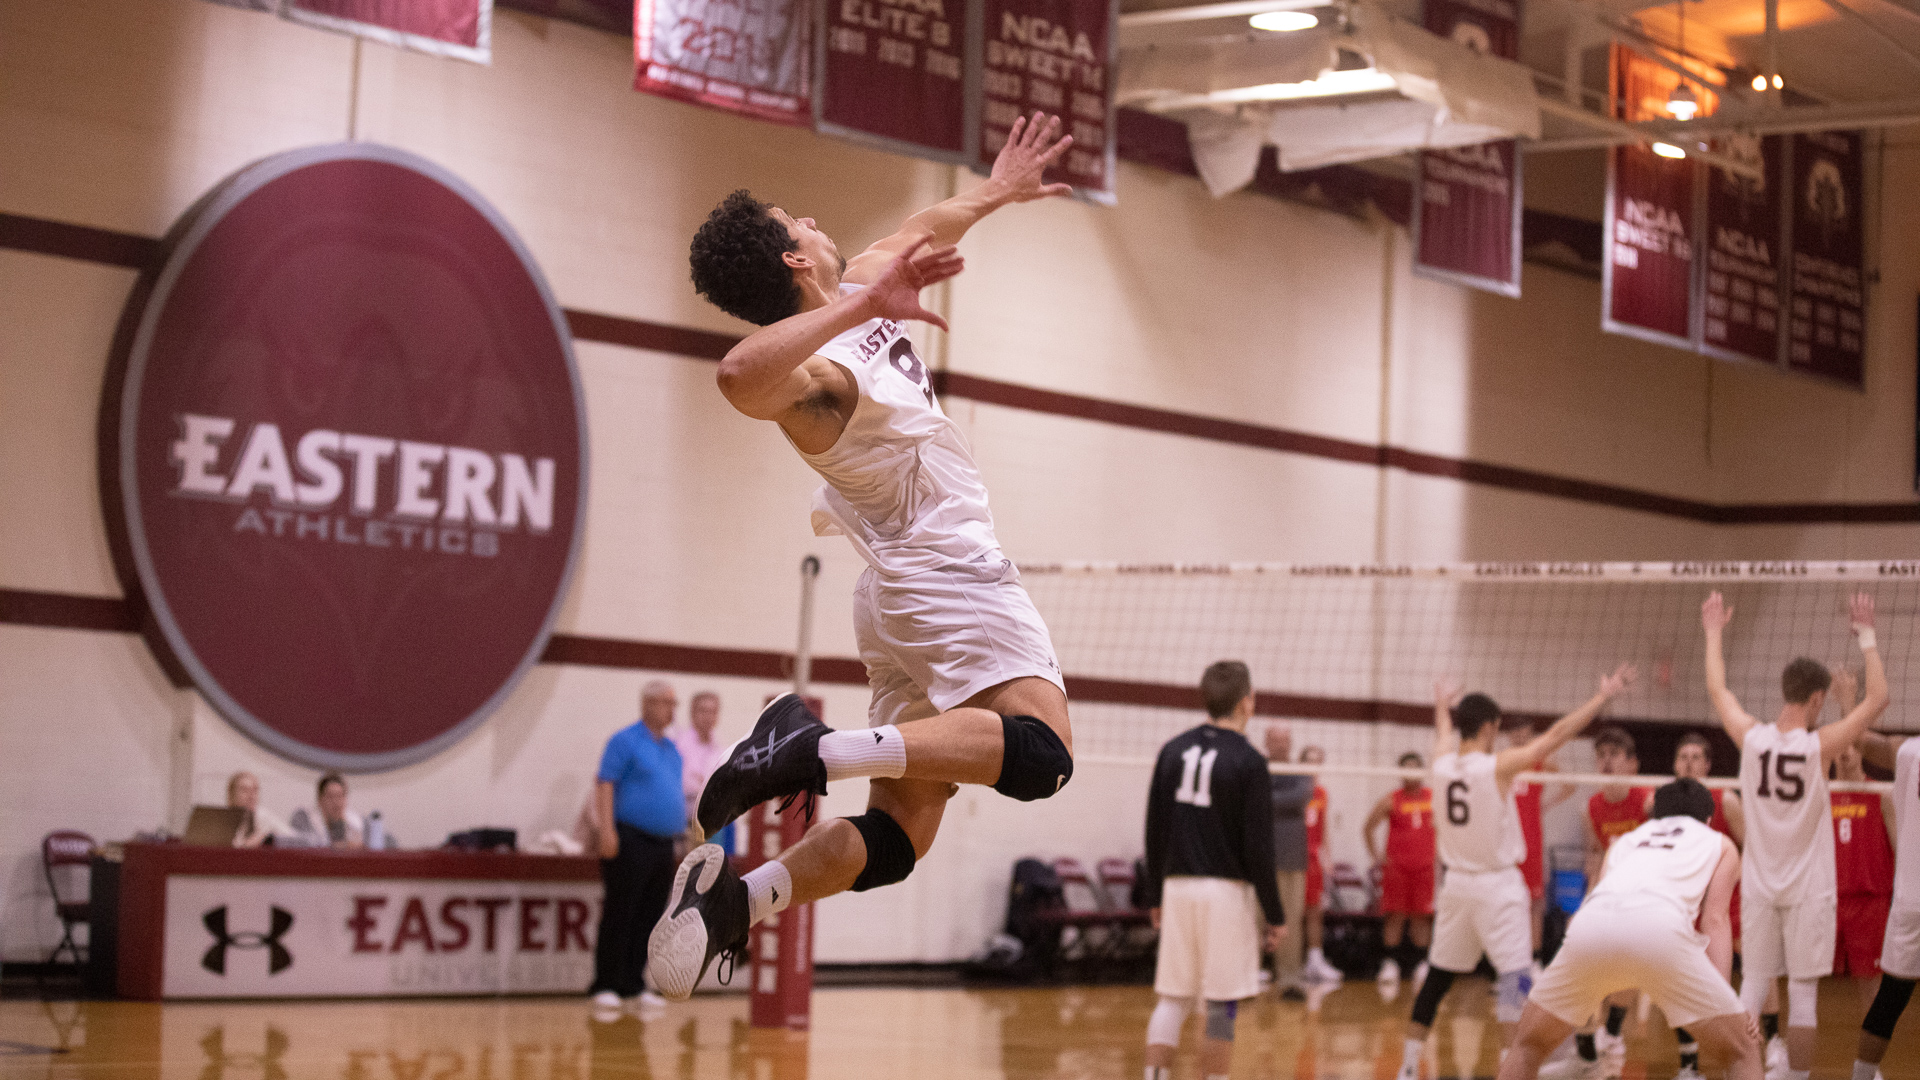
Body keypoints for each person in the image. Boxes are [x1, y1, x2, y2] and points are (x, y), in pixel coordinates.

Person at [648, 112, 1080, 1000]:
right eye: (795, 219)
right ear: (794, 263)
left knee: (901, 838)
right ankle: (813, 749)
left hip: (895, 596)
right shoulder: (820, 375)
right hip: (945, 572)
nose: (810, 216)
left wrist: (998, 192)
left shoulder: (864, 283)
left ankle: (736, 904)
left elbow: (930, 228)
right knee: (1043, 754)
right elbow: (734, 378)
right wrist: (859, 307)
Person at [1397, 668, 1636, 1080]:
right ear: (1490, 727)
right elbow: (1557, 733)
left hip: (1455, 886)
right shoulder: (1498, 767)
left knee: (1437, 979)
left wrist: (1441, 706)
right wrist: (1602, 698)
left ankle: (1407, 1066)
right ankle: (1515, 1067)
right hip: (1497, 887)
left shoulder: (1439, 765)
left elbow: (1441, 734)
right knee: (1514, 981)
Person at [1702, 590, 1887, 1080]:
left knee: (1751, 988)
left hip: (1761, 887)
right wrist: (1866, 633)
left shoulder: (1751, 737)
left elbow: (1718, 690)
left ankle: (1739, 1075)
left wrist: (1714, 631)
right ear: (1818, 698)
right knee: (1803, 995)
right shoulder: (1818, 746)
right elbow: (1878, 700)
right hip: (1808, 890)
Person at [1499, 779, 1761, 1080]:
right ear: (1707, 819)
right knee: (1743, 1049)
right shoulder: (1719, 842)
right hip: (1659, 929)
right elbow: (1715, 919)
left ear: (1655, 814)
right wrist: (1725, 997)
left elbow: (1605, 902)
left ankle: (1600, 1045)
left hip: (1592, 925)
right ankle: (1609, 1042)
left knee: (1528, 1045)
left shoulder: (1626, 840)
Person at [1140, 662, 1287, 1080]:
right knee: (1221, 1005)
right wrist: (1275, 914)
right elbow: (1259, 848)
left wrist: (1155, 895)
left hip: (1177, 888)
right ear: (1247, 702)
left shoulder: (1172, 749)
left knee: (1173, 998)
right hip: (1225, 894)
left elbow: (1154, 829)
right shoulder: (1249, 760)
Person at [1646, 730, 1749, 1080]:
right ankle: (1689, 1067)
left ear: (1707, 765)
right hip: (1681, 909)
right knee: (1680, 989)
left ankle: (1747, 1056)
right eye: (1682, 757)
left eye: (1695, 757)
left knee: (1733, 985)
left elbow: (1750, 848)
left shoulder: (1726, 800)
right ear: (1675, 765)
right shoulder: (1660, 803)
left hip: (1721, 905)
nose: (1688, 763)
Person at [590, 681, 686, 1013]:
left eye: (674, 703)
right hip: (630, 839)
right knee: (621, 911)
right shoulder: (625, 741)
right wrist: (606, 831)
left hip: (663, 844)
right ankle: (605, 983)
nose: (672, 709)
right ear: (646, 704)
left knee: (650, 914)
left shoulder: (671, 749)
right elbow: (605, 784)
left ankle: (633, 982)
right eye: (665, 702)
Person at [1567, 725, 1650, 1065]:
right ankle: (1591, 1029)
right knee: (1586, 955)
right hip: (1608, 893)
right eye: (1601, 755)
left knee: (1627, 966)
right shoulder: (1591, 808)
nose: (1606, 762)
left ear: (1632, 764)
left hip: (1643, 894)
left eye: (1614, 755)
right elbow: (1595, 856)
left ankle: (1613, 1033)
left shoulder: (1648, 801)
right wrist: (1586, 902)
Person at [1852, 727, 1918, 1080]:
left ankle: (1861, 1076)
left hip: (1910, 900)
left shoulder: (1908, 751)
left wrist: (1849, 704)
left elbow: (1861, 739)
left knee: (1890, 998)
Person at [1829, 670, 1896, 1010]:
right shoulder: (1820, 795)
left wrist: (1847, 703)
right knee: (1804, 982)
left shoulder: (1880, 795)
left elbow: (1900, 852)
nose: (1845, 751)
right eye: (1839, 745)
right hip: (1827, 901)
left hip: (1870, 904)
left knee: (1871, 989)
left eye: (1852, 745)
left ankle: (1872, 1064)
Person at [1365, 752, 1435, 986]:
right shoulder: (1391, 799)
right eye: (1407, 769)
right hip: (1397, 869)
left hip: (1425, 868)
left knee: (1421, 918)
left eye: (1416, 768)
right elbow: (1368, 827)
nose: (1411, 774)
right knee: (1395, 915)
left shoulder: (1433, 799)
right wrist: (1377, 856)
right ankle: (1390, 964)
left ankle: (1421, 964)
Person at [1267, 721, 1312, 996]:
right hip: (1258, 858)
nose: (1281, 745)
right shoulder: (1255, 767)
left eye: (1285, 740)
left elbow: (1299, 798)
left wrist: (1264, 799)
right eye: (1276, 740)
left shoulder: (1301, 771)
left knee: (1290, 921)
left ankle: (1290, 980)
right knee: (1251, 921)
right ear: (1267, 742)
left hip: (1292, 858)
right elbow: (1246, 800)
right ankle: (1247, 978)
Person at [1299, 745, 1342, 985]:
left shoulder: (1322, 793)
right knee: (1294, 914)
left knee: (1315, 911)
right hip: (1294, 858)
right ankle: (1291, 963)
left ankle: (1315, 961)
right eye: (1309, 761)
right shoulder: (1293, 788)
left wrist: (1327, 859)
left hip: (1315, 859)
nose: (1313, 766)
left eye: (1318, 761)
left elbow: (1323, 831)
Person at [674, 691, 735, 856]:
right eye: (703, 711)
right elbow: (684, 785)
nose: (708, 716)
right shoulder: (678, 745)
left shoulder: (721, 749)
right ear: (692, 713)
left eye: (713, 711)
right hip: (685, 821)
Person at [287, 773, 364, 849]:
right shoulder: (303, 817)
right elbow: (302, 843)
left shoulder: (356, 822)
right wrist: (339, 845)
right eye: (331, 797)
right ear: (320, 799)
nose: (336, 802)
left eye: (340, 796)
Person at [226, 771, 289, 848]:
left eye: (255, 790)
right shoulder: (222, 821)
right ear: (231, 794)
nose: (251, 796)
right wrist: (247, 845)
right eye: (245, 790)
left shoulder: (263, 816)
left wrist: (269, 837)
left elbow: (295, 839)